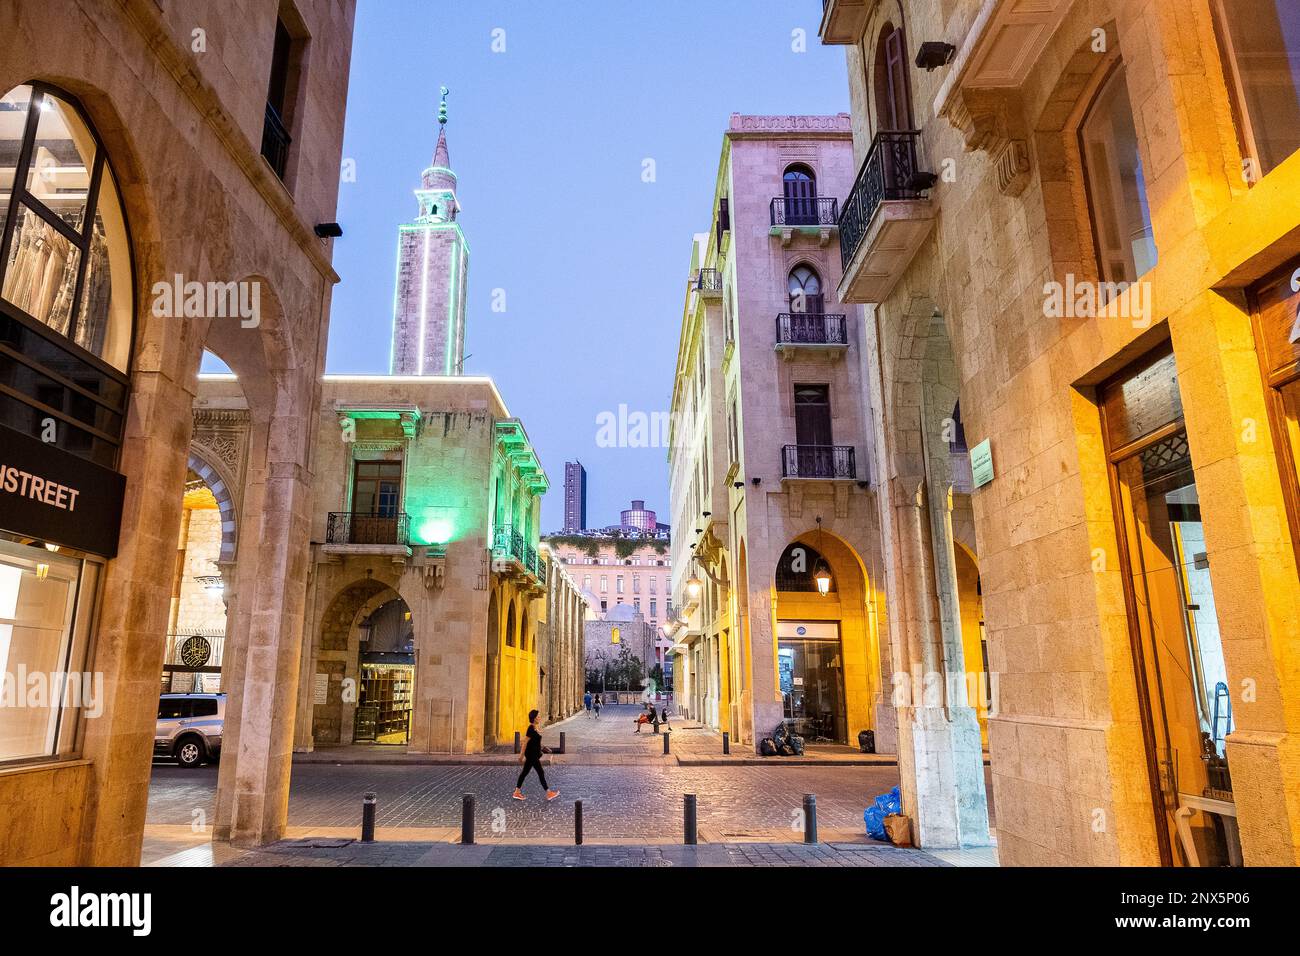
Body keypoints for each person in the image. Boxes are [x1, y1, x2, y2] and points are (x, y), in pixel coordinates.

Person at [513, 709, 558, 801]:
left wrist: (544, 748)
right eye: (538, 716)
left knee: (524, 772)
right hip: (531, 755)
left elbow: (535, 742)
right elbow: (525, 742)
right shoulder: (530, 728)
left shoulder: (535, 728)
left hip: (534, 754)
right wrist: (521, 755)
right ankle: (549, 793)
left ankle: (516, 792)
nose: (539, 717)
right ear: (533, 718)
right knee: (540, 772)